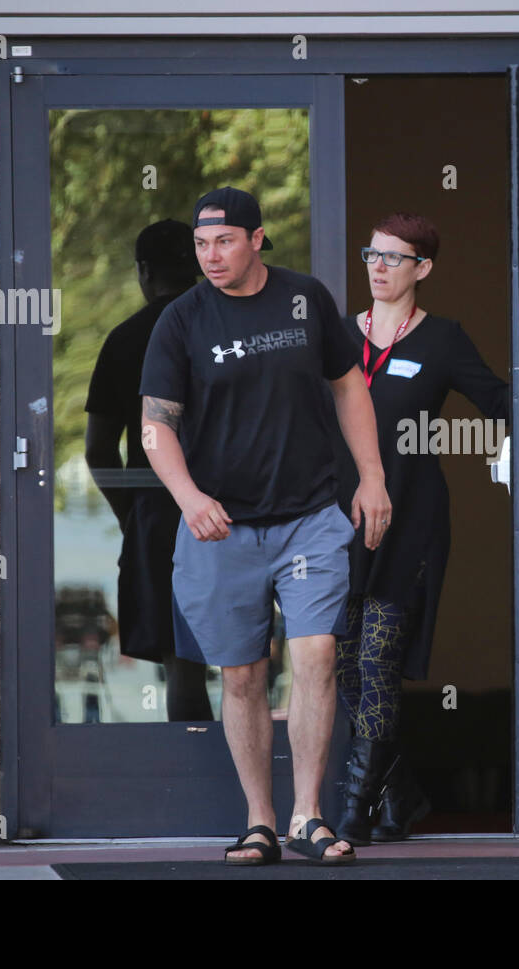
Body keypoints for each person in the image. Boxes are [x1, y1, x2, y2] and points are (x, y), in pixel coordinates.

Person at [139, 187, 391, 865]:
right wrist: (189, 497)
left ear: (256, 239)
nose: (211, 256)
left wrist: (371, 475)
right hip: (224, 527)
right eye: (200, 244)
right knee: (244, 675)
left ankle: (310, 815)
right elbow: (155, 424)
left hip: (309, 516)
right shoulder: (182, 320)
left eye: (223, 241)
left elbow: (349, 385)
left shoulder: (306, 299)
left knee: (314, 655)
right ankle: (260, 820)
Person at [331, 213, 510, 845]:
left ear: (422, 269)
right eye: (370, 255)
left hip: (411, 518)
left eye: (393, 258)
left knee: (378, 659)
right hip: (336, 522)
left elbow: (502, 403)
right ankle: (401, 792)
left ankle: (355, 804)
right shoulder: (334, 336)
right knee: (343, 666)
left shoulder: (443, 340)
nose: (377, 267)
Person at [85, 219, 212, 722]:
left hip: (160, 514)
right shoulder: (224, 331)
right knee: (243, 660)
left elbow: (98, 450)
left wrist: (133, 511)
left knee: (183, 662)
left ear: (143, 271)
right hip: (238, 506)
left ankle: (192, 781)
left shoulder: (126, 340)